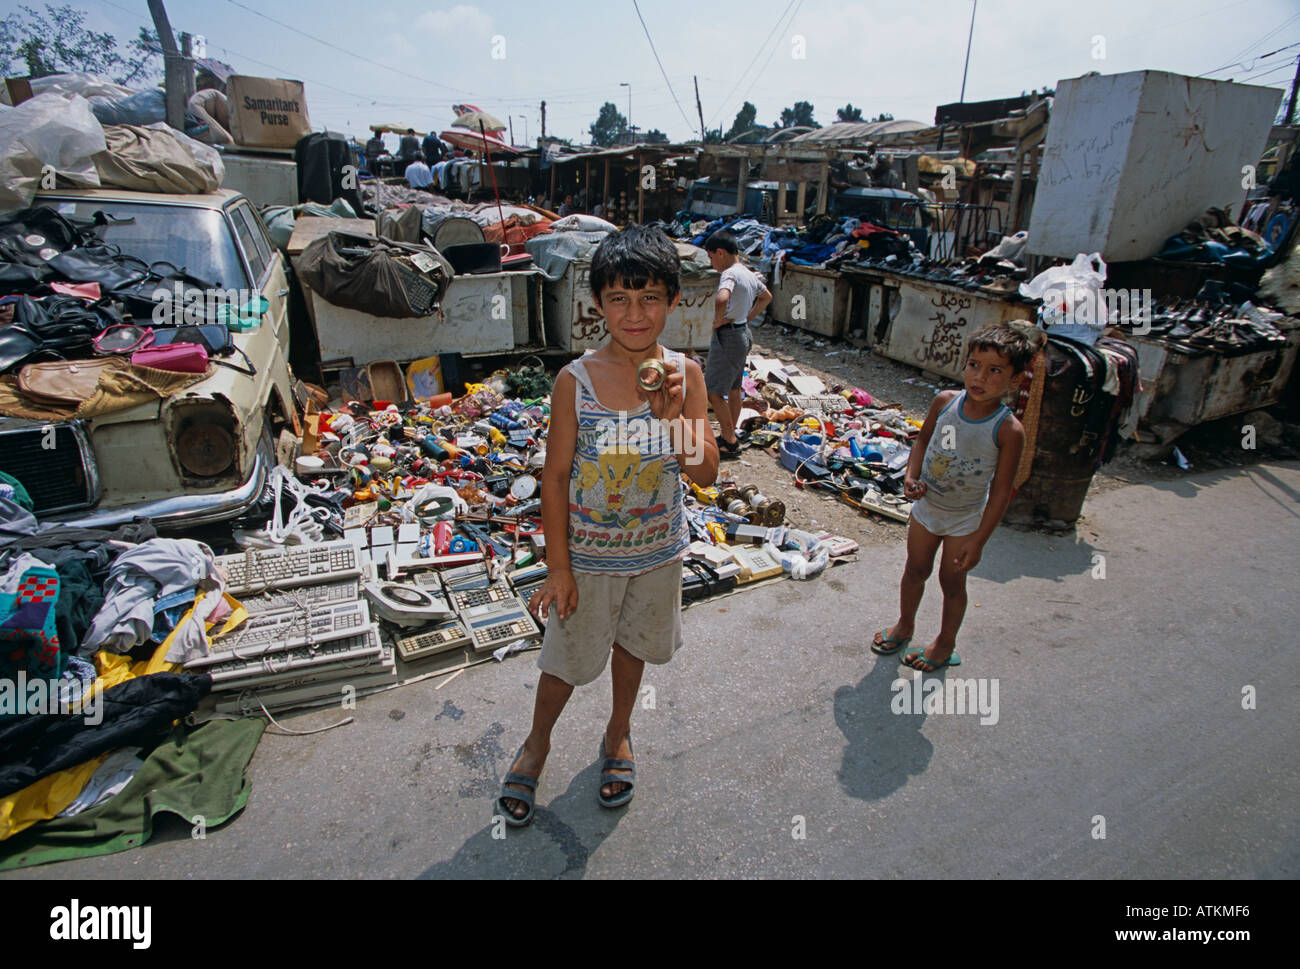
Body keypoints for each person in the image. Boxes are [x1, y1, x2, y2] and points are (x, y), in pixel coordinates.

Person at [497, 224, 719, 826]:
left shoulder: (685, 375)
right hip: (590, 562)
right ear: (598, 305)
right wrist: (559, 568)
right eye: (619, 298)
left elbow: (704, 473)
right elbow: (557, 476)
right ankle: (537, 743)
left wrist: (673, 418)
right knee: (564, 660)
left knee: (634, 648)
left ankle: (618, 736)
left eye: (649, 298)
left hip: (656, 554)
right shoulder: (576, 380)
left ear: (674, 301)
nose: (635, 313)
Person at [871, 321, 1032, 672]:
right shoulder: (945, 403)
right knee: (914, 569)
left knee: (952, 582)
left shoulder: (1008, 430)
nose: (980, 377)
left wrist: (979, 541)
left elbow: (1002, 492)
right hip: (928, 509)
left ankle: (945, 642)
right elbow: (923, 441)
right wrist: (911, 476)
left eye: (995, 371)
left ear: (1015, 380)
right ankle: (905, 625)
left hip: (964, 520)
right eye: (974, 365)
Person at [702, 229, 771, 458]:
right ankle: (730, 433)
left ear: (720, 252)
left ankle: (730, 442)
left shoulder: (730, 273)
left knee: (713, 392)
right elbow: (766, 297)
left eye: (711, 257)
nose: (712, 263)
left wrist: (719, 319)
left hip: (729, 336)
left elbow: (722, 297)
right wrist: (748, 317)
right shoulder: (748, 273)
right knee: (733, 389)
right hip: (742, 333)